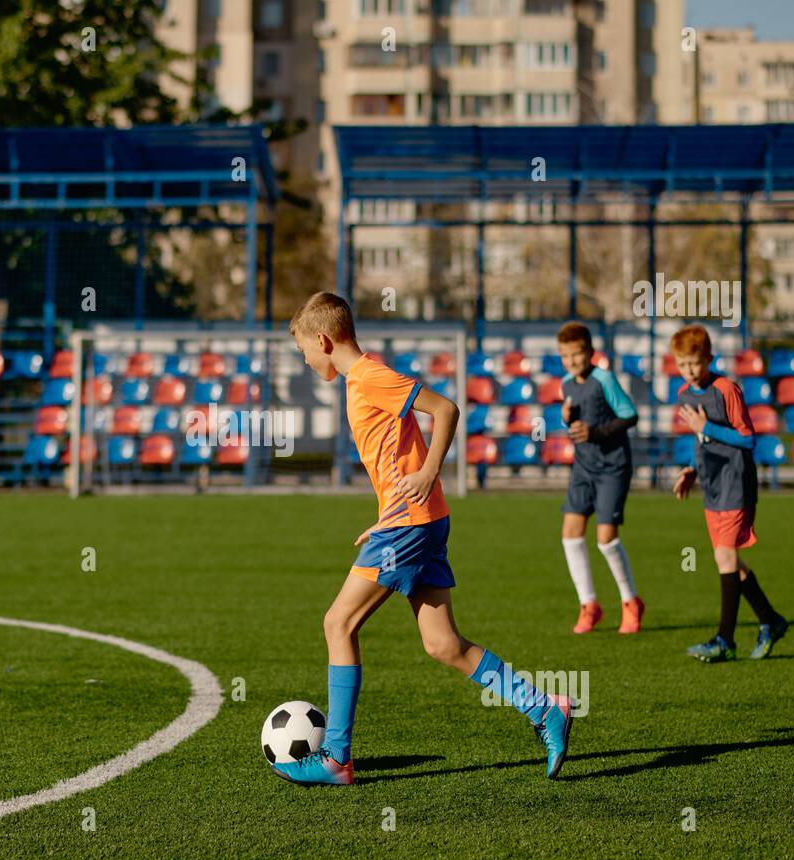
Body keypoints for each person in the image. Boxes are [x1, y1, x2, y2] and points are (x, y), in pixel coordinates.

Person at [273, 291, 574, 786]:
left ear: (324, 341)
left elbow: (446, 408)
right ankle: (546, 708)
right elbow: (397, 456)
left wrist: (431, 473)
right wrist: (388, 512)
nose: (304, 360)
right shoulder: (360, 379)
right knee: (443, 645)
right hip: (416, 521)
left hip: (410, 524)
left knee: (337, 624)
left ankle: (335, 758)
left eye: (304, 350)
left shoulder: (369, 376)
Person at [671, 325, 788, 662]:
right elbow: (701, 440)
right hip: (712, 484)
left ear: (708, 358)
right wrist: (692, 470)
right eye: (681, 365)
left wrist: (705, 427)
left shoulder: (727, 389)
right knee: (729, 562)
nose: (688, 371)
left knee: (724, 558)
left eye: (694, 363)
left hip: (736, 484)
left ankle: (725, 639)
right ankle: (770, 620)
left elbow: (748, 439)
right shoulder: (685, 394)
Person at [555, 322, 644, 635]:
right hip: (583, 467)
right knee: (570, 533)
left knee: (606, 540)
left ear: (590, 352)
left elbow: (630, 415)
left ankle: (631, 601)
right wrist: (567, 418)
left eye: (577, 354)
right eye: (565, 356)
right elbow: (574, 418)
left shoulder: (603, 378)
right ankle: (589, 605)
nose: (572, 361)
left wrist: (596, 432)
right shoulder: (566, 383)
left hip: (612, 466)